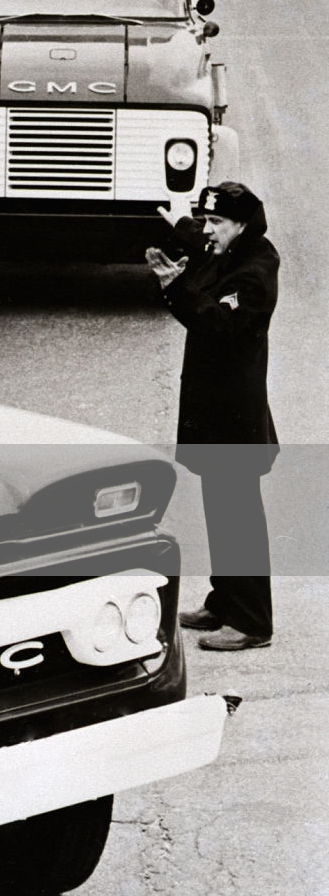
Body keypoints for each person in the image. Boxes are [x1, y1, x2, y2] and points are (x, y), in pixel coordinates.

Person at [146, 182, 278, 649]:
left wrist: (174, 286)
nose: (209, 231)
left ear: (242, 225)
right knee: (222, 513)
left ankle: (253, 622)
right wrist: (183, 225)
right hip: (216, 413)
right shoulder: (230, 249)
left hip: (235, 419)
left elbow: (216, 323)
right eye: (207, 221)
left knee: (239, 517)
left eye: (217, 223)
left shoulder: (255, 272)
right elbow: (202, 247)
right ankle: (225, 602)